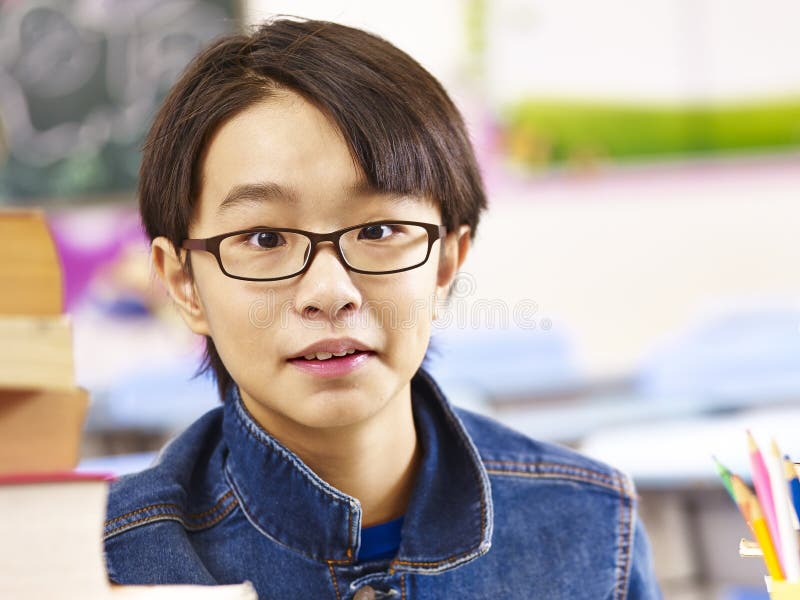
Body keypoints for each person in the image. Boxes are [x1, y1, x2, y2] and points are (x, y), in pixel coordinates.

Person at [103, 17, 662, 599]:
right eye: (265, 239)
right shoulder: (108, 565)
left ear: (446, 263)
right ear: (183, 283)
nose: (329, 292)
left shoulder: (588, 529)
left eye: (379, 228)